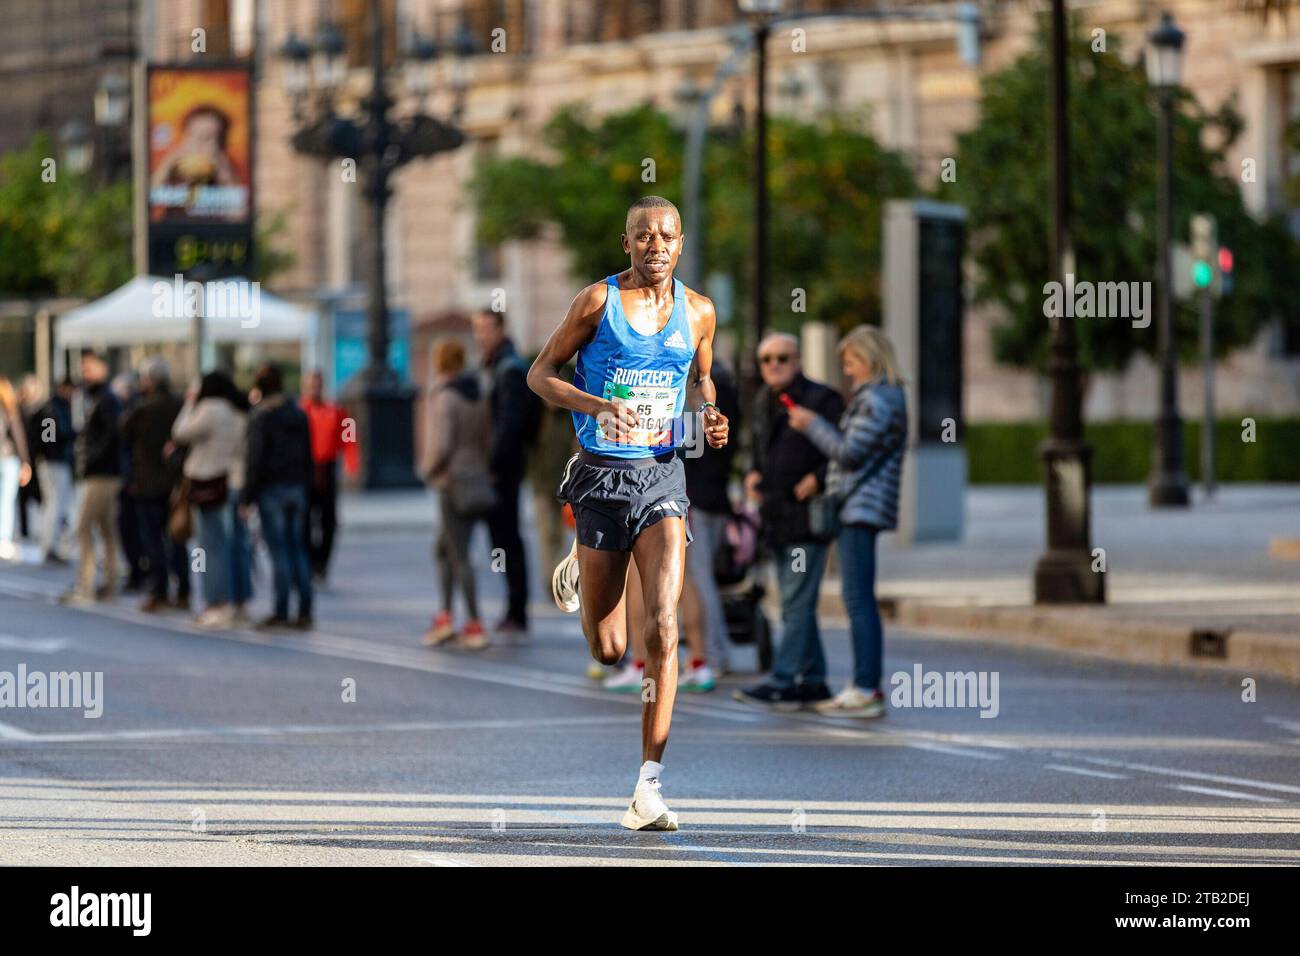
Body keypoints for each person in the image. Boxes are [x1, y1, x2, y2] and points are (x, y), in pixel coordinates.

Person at [527, 195, 730, 831]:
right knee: (610, 648)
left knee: (663, 626)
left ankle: (649, 785)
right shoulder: (596, 303)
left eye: (667, 236)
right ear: (627, 244)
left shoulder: (700, 312)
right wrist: (594, 406)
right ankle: (580, 572)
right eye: (644, 236)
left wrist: (712, 416)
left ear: (681, 243)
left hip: (663, 476)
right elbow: (540, 374)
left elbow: (703, 381)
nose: (656, 246)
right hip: (598, 478)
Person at [786, 326, 908, 718]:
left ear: (870, 358)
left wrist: (811, 425)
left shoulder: (879, 400)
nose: (848, 371)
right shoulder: (880, 397)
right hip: (860, 506)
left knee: (858, 600)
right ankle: (863, 685)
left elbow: (849, 452)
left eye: (852, 362)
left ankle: (866, 687)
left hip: (861, 508)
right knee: (858, 598)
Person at [734, 333, 845, 711]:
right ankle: (813, 681)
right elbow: (758, 450)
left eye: (782, 358)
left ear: (797, 360)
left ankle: (783, 679)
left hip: (808, 519)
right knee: (798, 603)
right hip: (776, 518)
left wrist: (818, 476)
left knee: (795, 603)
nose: (774, 365)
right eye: (767, 360)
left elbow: (845, 449)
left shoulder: (822, 399)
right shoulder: (764, 401)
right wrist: (752, 474)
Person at [420, 339, 492, 650]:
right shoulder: (478, 394)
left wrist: (427, 470)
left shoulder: (445, 396)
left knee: (459, 554)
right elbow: (489, 437)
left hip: (452, 482)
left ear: (439, 363)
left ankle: (473, 623)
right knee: (444, 548)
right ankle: (445, 615)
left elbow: (441, 444)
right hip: (477, 477)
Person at [473, 309, 537, 636]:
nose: (479, 336)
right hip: (502, 466)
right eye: (477, 329)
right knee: (502, 538)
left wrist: (495, 466)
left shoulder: (508, 368)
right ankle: (514, 607)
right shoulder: (497, 365)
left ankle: (517, 609)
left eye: (485, 329)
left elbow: (508, 426)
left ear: (500, 329)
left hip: (503, 469)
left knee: (506, 538)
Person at [679, 356, 742, 690]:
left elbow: (688, 448)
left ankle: (715, 655)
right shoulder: (726, 385)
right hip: (716, 499)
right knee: (704, 580)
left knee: (698, 580)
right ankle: (716, 654)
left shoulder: (698, 394)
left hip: (697, 503)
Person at [172, 370, 249, 629]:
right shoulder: (239, 411)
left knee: (209, 548)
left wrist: (189, 404)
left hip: (209, 483)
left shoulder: (209, 409)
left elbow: (180, 432)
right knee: (236, 545)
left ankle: (217, 604)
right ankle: (239, 603)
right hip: (235, 482)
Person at [241, 364, 313, 630]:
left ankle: (282, 609)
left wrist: (247, 496)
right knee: (298, 547)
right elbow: (308, 454)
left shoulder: (262, 416)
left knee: (279, 551)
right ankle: (305, 608)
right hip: (297, 487)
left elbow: (254, 458)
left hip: (272, 489)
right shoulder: (297, 413)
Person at [120, 357, 188, 613]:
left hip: (148, 482)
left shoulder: (143, 408)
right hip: (174, 482)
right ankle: (184, 588)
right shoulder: (178, 405)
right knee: (177, 537)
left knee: (153, 540)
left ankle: (160, 590)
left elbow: (123, 430)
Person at [62, 352, 122, 604]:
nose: (84, 374)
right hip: (104, 472)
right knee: (106, 530)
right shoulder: (95, 398)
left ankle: (85, 586)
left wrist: (90, 456)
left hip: (102, 474)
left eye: (89, 369)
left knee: (84, 527)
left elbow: (112, 436)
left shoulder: (106, 400)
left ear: (103, 369)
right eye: (83, 369)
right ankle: (110, 583)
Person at [300, 370, 354, 583]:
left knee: (329, 520)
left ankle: (322, 564)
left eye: (317, 384)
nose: (314, 388)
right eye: (311, 384)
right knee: (304, 520)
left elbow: (349, 435)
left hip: (328, 467)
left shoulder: (337, 410)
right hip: (305, 468)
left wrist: (351, 463)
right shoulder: (300, 410)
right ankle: (310, 561)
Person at [33, 378, 77, 564]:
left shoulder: (56, 408)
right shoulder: (51, 410)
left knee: (55, 505)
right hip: (54, 463)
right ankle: (50, 546)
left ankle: (51, 545)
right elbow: (48, 438)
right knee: (55, 505)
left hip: (55, 462)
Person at [0, 376, 32, 562]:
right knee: (7, 501)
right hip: (9, 458)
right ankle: (3, 539)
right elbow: (19, 435)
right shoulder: (11, 410)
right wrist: (25, 461)